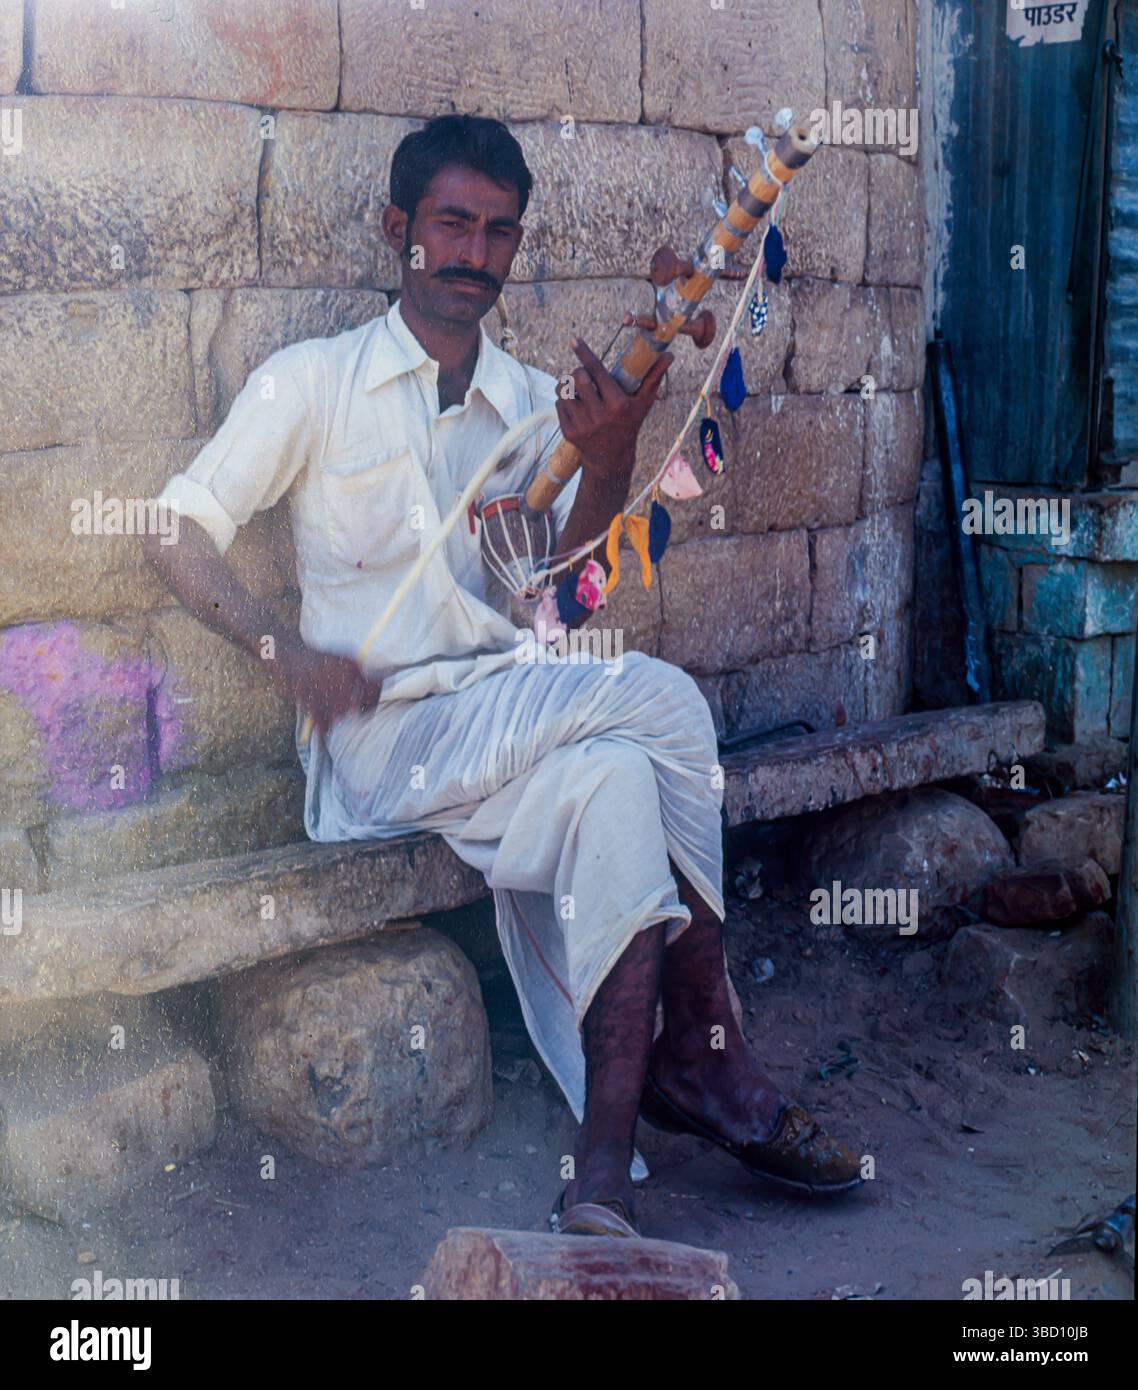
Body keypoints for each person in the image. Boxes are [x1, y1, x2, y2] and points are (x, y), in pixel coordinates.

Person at [145, 114, 861, 1239]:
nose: (476, 253)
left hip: (505, 729)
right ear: (399, 230)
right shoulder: (311, 383)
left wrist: (612, 452)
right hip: (380, 745)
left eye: (499, 232)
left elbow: (564, 591)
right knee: (665, 700)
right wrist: (290, 657)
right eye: (452, 224)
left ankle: (605, 1169)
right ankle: (711, 1044)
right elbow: (174, 530)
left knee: (624, 784)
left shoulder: (534, 404)